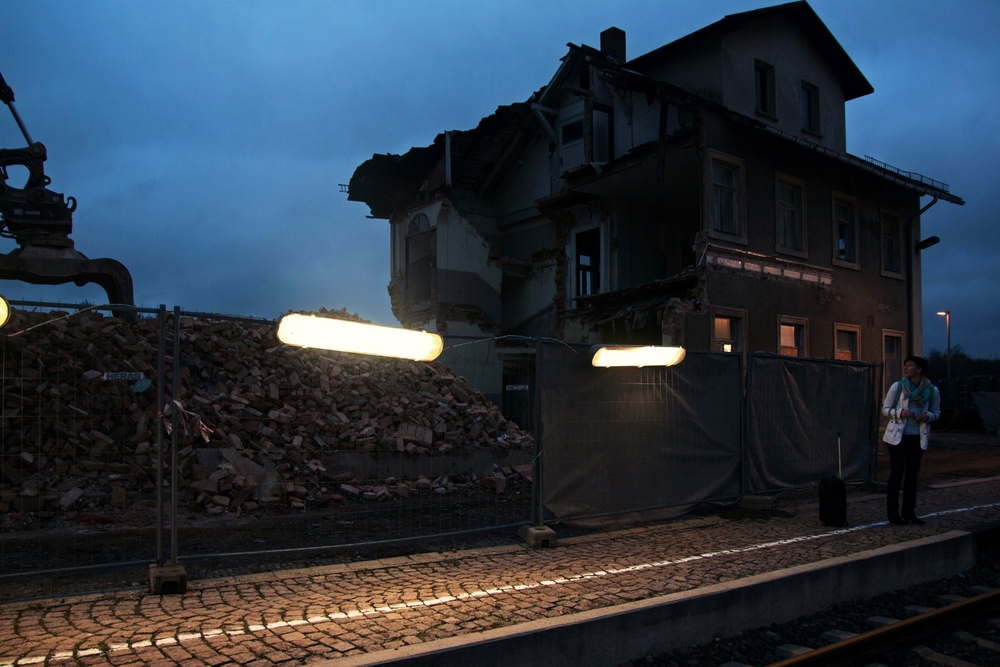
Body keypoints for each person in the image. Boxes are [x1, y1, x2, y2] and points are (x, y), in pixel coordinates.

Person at [881, 355, 940, 525]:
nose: (906, 368)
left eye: (910, 366)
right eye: (905, 365)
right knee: (897, 473)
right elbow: (886, 409)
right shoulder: (898, 387)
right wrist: (900, 413)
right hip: (897, 437)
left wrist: (927, 416)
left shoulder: (932, 390)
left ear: (919, 369)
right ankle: (893, 513)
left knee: (912, 475)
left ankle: (909, 512)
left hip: (918, 437)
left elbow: (937, 413)